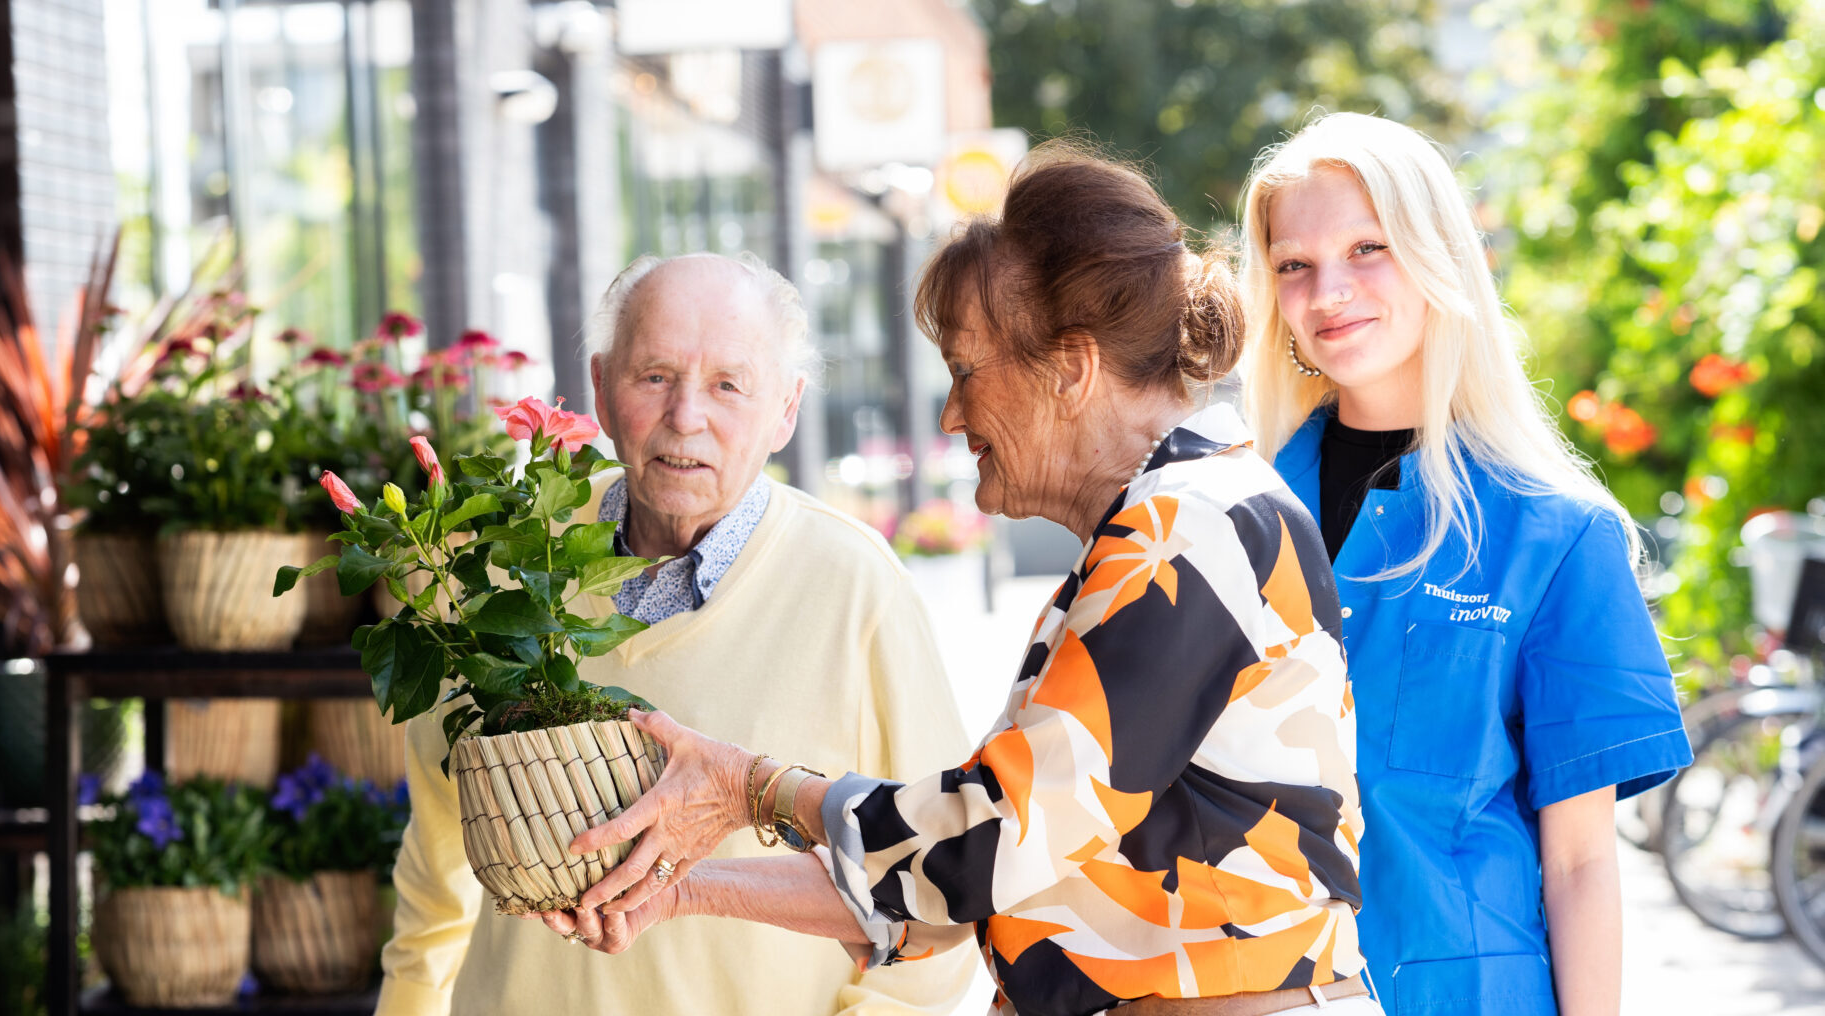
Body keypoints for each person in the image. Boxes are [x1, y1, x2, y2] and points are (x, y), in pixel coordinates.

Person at [550, 146, 1383, 1016]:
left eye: (964, 371)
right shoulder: (1172, 522)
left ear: (1071, 367)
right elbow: (959, 878)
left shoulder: (1192, 527)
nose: (951, 414)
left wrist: (749, 787)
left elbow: (992, 839)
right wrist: (677, 887)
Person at [374, 252, 979, 1016]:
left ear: (786, 409)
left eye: (729, 385)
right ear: (599, 385)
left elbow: (947, 886)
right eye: (654, 375)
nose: (686, 415)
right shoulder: (508, 560)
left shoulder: (858, 587)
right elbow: (436, 872)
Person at [1236, 112, 1693, 1016]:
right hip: (1255, 993)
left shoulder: (1556, 535)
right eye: (1294, 264)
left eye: (1367, 247)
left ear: (1438, 256)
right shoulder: (1225, 513)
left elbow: (1581, 861)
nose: (1328, 290)